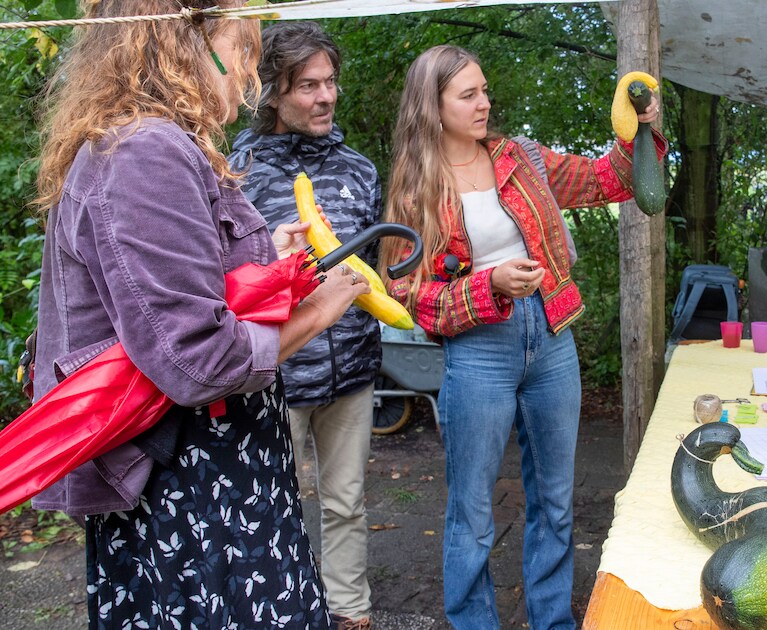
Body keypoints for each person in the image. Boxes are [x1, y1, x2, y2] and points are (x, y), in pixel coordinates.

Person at [29, 1, 370, 627]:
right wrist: (321, 309)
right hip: (195, 494)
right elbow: (198, 360)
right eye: (243, 50)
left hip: (214, 479)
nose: (249, 78)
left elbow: (179, 297)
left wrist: (268, 264)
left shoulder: (153, 143)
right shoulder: (144, 153)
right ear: (184, 43)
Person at [380, 45, 664, 629]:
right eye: (468, 95)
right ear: (432, 107)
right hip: (479, 348)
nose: (484, 103)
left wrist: (645, 130)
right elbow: (406, 297)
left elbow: (607, 179)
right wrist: (490, 285)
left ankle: (552, 623)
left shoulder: (519, 158)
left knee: (556, 504)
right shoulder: (415, 188)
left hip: (551, 338)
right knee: (472, 514)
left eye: (484, 91)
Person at [227, 21, 379, 630]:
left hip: (354, 370)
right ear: (272, 94)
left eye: (330, 82)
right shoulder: (233, 173)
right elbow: (226, 281)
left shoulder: (360, 170)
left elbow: (375, 267)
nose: (326, 97)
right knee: (265, 506)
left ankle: (351, 611)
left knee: (346, 501)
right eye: (308, 85)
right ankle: (277, 613)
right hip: (275, 372)